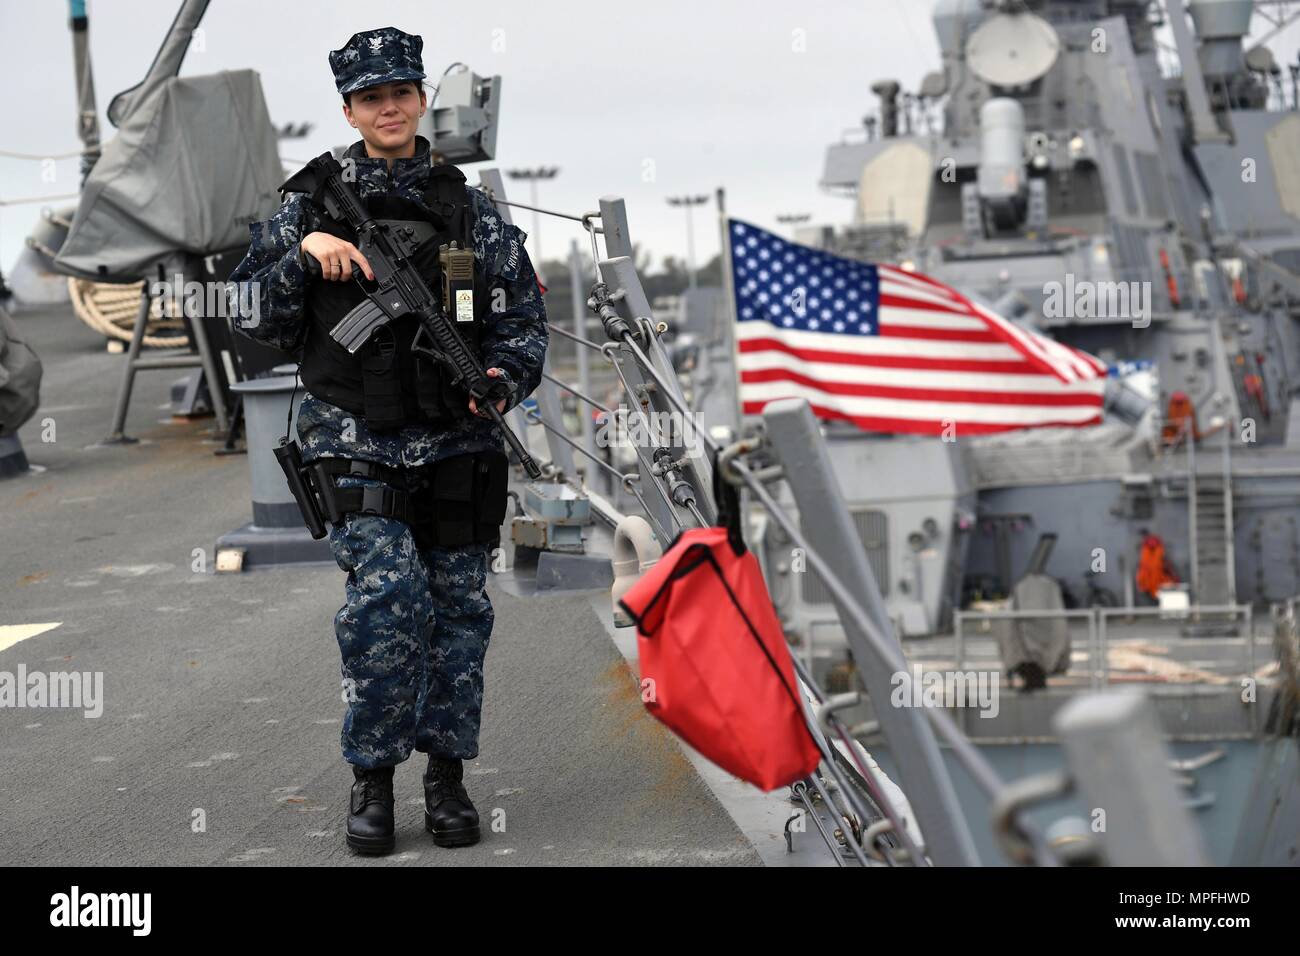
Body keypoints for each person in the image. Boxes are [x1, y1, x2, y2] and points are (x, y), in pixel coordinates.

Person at [228, 26, 547, 854]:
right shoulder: (311, 201)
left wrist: (504, 381)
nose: (390, 107)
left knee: (459, 612)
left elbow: (520, 317)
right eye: (373, 98)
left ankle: (446, 780)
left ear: (420, 100)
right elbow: (249, 314)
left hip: (457, 443)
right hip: (354, 437)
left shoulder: (470, 207)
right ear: (350, 109)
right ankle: (372, 778)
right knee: (386, 598)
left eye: (402, 93)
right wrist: (303, 253)